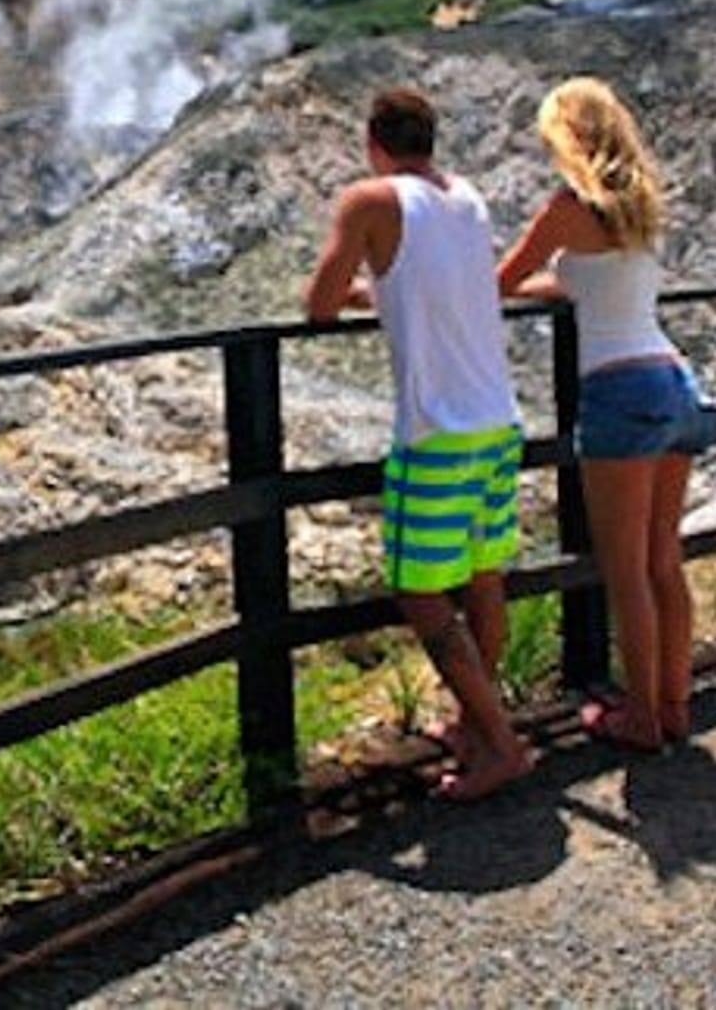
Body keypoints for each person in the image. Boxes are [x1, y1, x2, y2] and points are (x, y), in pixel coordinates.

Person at [306, 87, 531, 801]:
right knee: (484, 577)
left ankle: (498, 744)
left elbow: (317, 302)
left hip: (436, 429)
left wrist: (355, 289)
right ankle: (475, 724)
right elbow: (432, 283)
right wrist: (383, 294)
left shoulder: (370, 200)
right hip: (497, 416)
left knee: (422, 592)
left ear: (375, 141)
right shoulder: (467, 196)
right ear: (429, 139)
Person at [498, 75, 714, 750]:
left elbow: (499, 282)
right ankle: (675, 705)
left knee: (626, 572)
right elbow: (585, 279)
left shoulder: (569, 205)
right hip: (675, 382)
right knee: (663, 562)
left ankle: (641, 718)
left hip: (620, 392)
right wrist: (555, 284)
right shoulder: (638, 205)